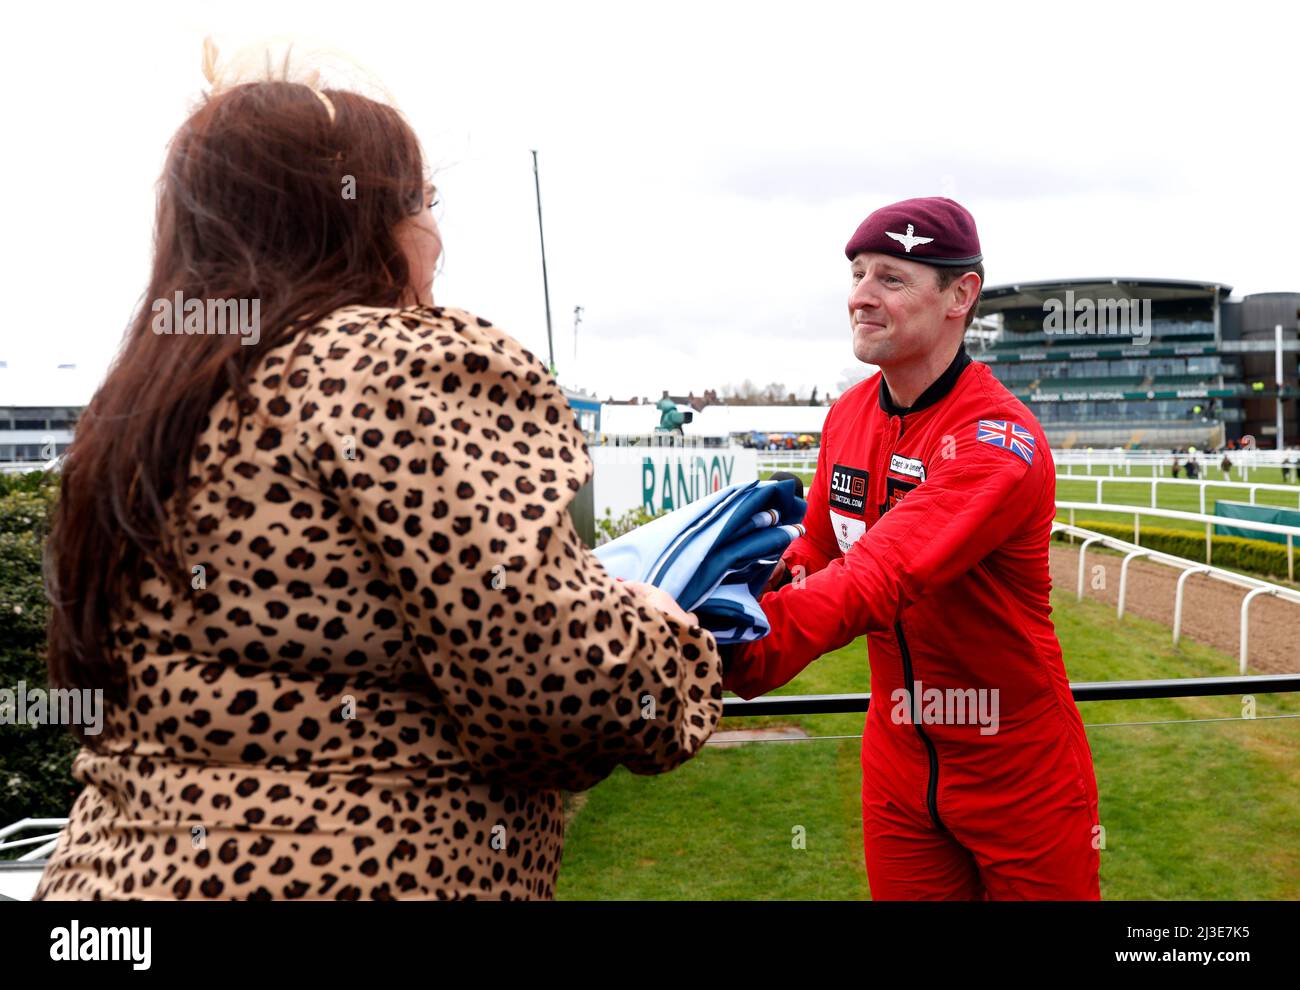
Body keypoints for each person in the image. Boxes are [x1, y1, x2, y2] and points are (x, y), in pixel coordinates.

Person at [35, 43, 722, 901]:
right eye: (424, 202)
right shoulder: (399, 365)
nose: (436, 233)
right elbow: (556, 687)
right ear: (354, 218)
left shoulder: (146, 397)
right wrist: (667, 636)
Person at [721, 197, 1100, 900]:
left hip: (1020, 771)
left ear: (961, 294)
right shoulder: (848, 413)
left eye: (890, 278)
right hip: (896, 766)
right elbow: (821, 548)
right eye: (857, 274)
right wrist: (729, 596)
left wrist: (727, 655)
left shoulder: (996, 441)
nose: (860, 297)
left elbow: (881, 573)